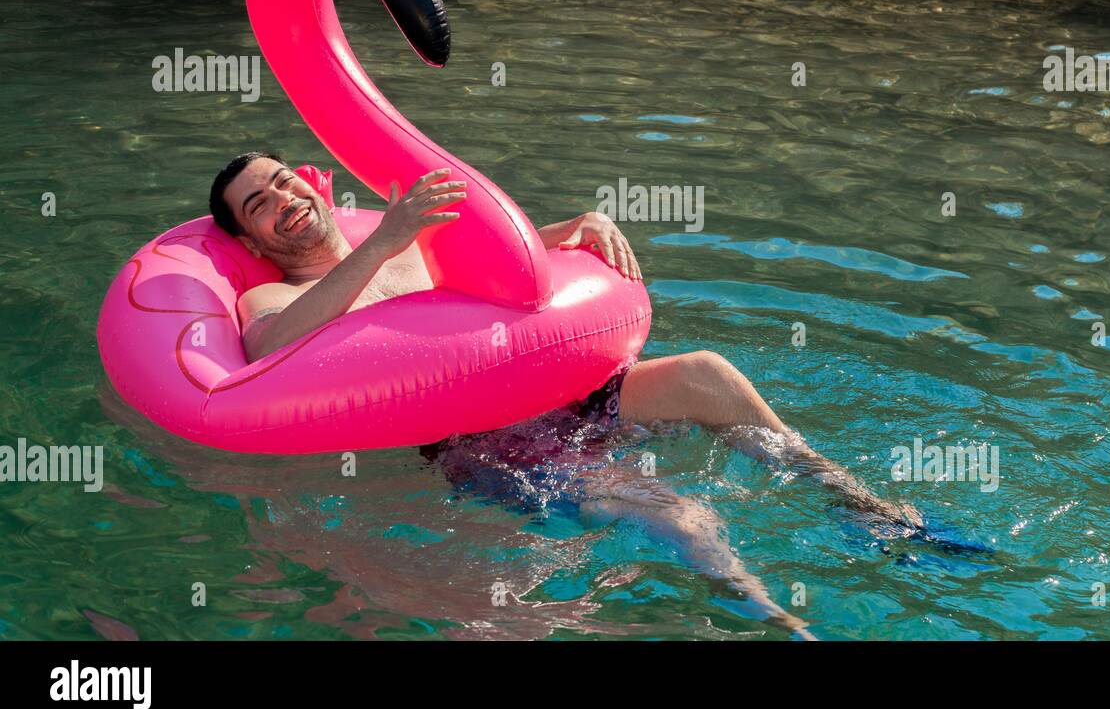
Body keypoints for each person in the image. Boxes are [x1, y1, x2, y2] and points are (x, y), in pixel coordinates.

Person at [210, 151, 923, 638]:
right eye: (259, 205)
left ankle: (857, 504)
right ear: (252, 243)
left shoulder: (416, 246)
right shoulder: (274, 295)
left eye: (284, 183)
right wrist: (382, 243)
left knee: (707, 372)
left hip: (563, 396)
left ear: (315, 186)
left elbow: (508, 264)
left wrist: (579, 226)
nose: (283, 201)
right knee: (682, 514)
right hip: (486, 439)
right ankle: (775, 620)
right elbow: (271, 352)